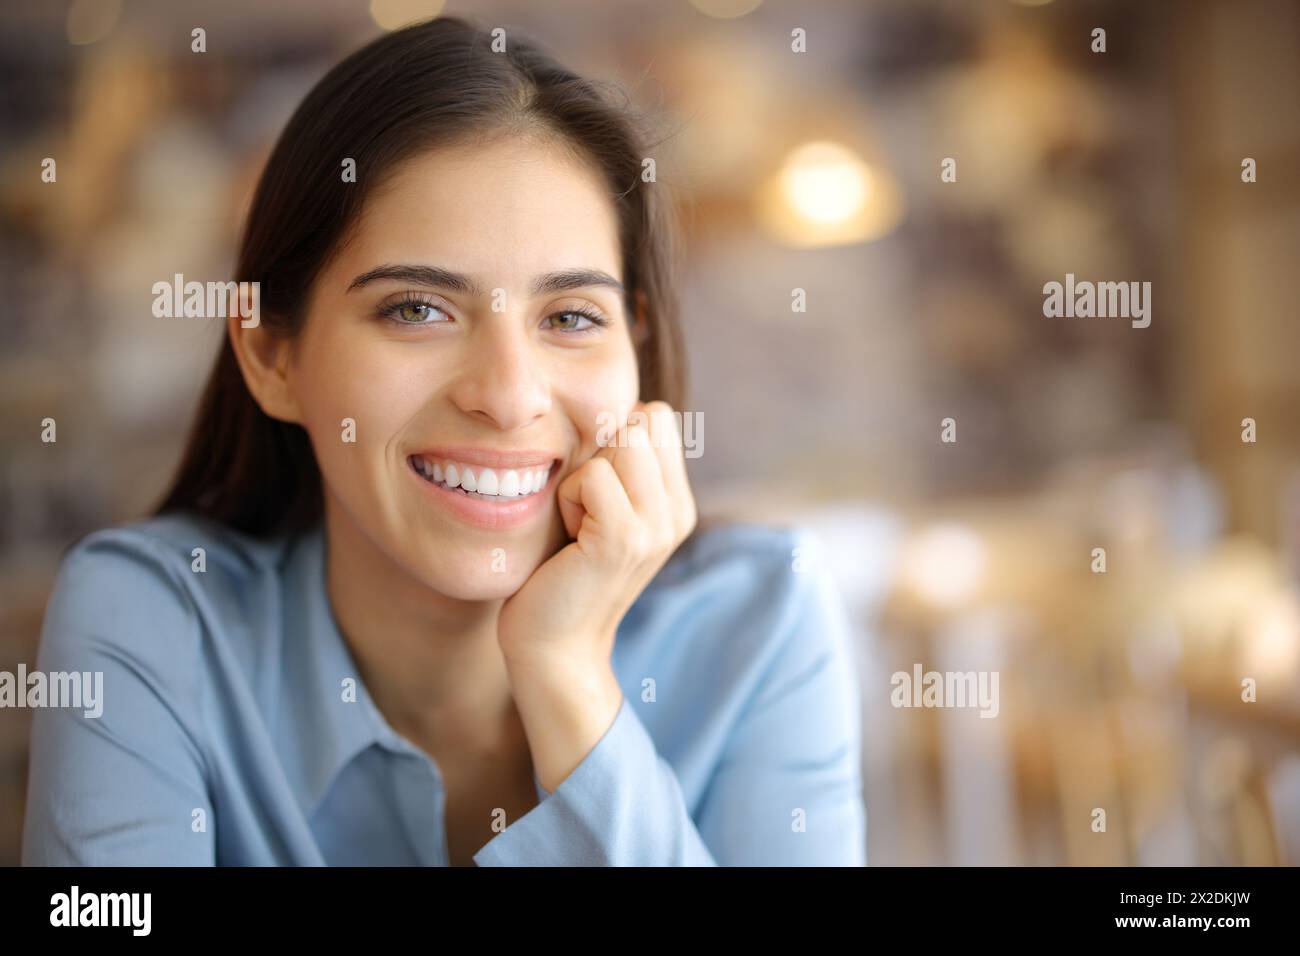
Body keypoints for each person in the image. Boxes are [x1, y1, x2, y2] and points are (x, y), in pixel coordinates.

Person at [22, 15, 866, 866]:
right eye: (415, 309)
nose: (507, 396)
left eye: (571, 317)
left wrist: (570, 684)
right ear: (271, 355)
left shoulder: (761, 623)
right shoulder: (153, 620)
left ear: (636, 353)